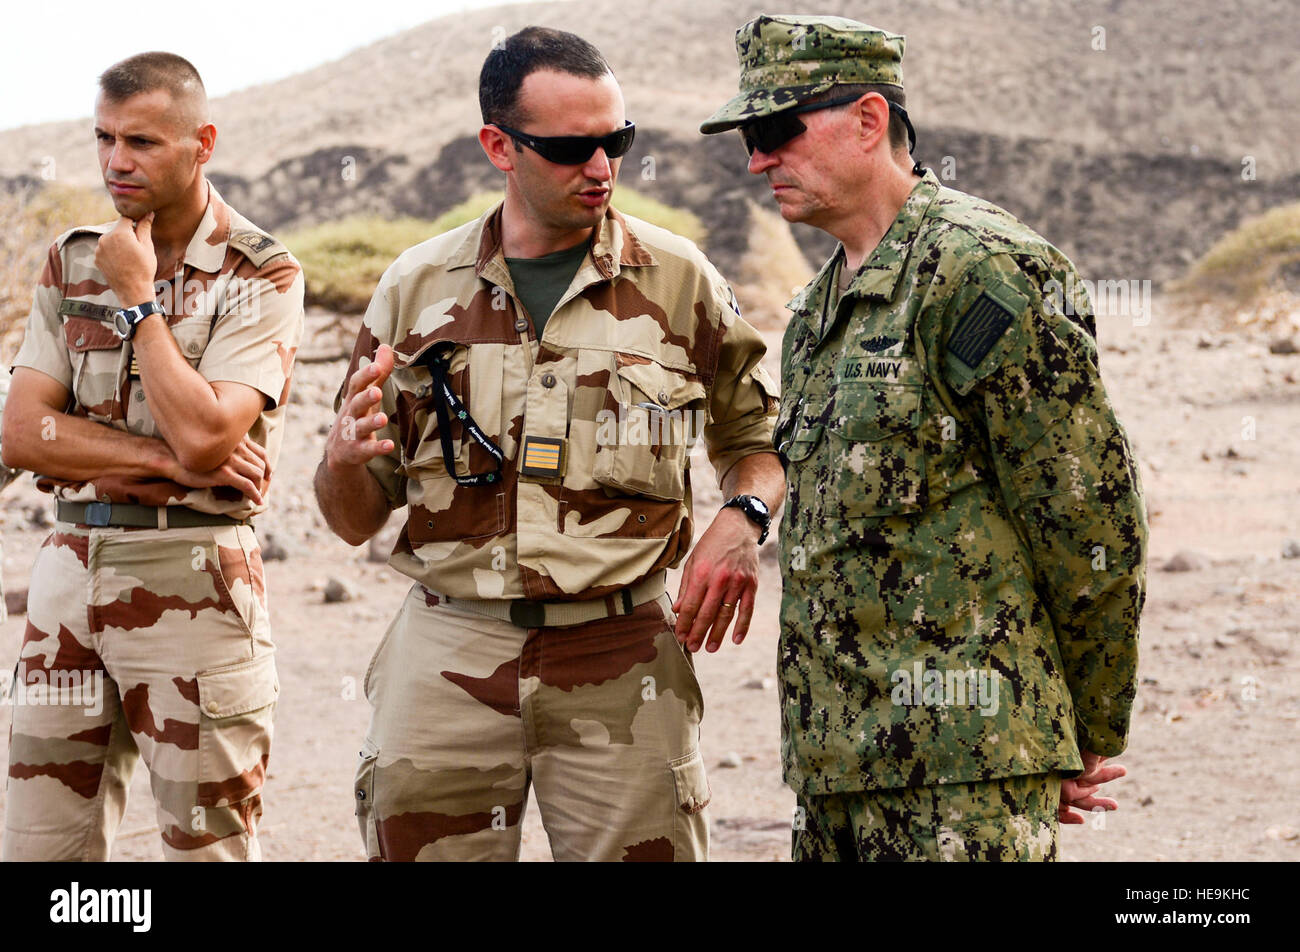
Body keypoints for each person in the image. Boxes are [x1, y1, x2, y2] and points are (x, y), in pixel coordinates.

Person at [315, 26, 783, 862]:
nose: (602, 167)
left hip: (621, 650)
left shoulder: (679, 282)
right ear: (499, 145)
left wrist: (743, 516)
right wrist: (343, 462)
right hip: (448, 651)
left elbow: (758, 440)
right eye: (571, 147)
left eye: (617, 141)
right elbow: (352, 518)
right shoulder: (415, 289)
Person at [701, 14, 1148, 861]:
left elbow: (1088, 520)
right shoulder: (816, 313)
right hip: (837, 770)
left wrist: (1079, 730)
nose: (757, 159)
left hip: (963, 775)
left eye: (774, 130)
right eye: (748, 139)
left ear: (869, 120)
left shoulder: (984, 272)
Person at [2, 52, 304, 861]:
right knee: (43, 855)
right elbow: (24, 434)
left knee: (204, 848)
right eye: (103, 138)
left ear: (202, 142)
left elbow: (211, 435)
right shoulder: (72, 259)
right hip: (68, 568)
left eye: (141, 142)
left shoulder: (260, 270)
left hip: (196, 581)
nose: (115, 162)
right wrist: (170, 462)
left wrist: (138, 300)